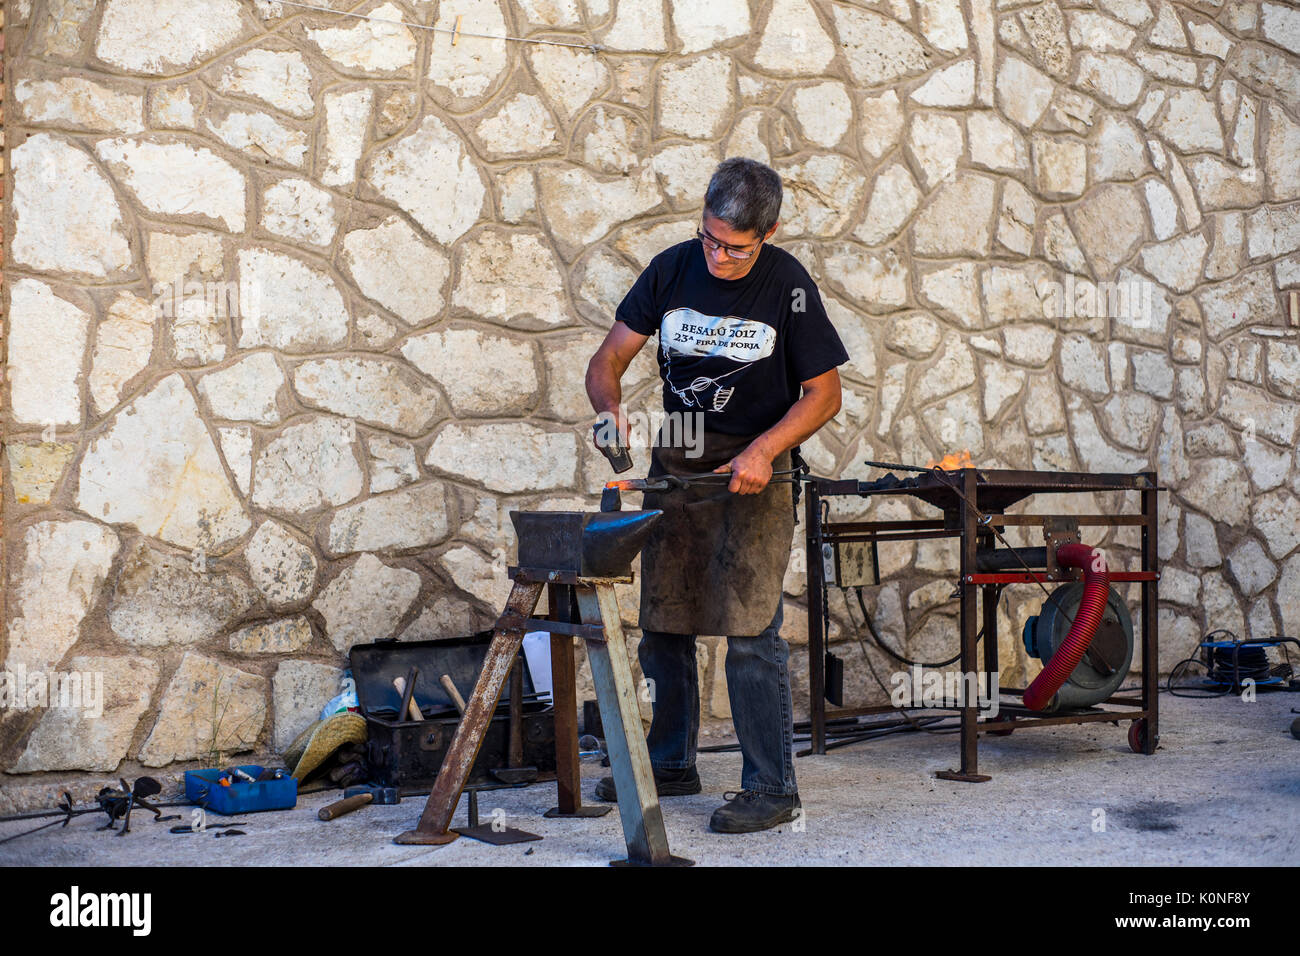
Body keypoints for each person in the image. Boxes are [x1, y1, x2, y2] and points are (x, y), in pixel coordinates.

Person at [584, 157, 849, 833]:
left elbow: (825, 393)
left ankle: (772, 788)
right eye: (710, 238)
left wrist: (763, 449)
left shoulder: (787, 285)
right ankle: (670, 762)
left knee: (751, 627)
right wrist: (608, 406)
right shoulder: (672, 268)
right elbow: (609, 358)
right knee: (664, 624)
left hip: (757, 467)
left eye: (736, 247)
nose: (720, 255)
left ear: (769, 233)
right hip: (678, 461)